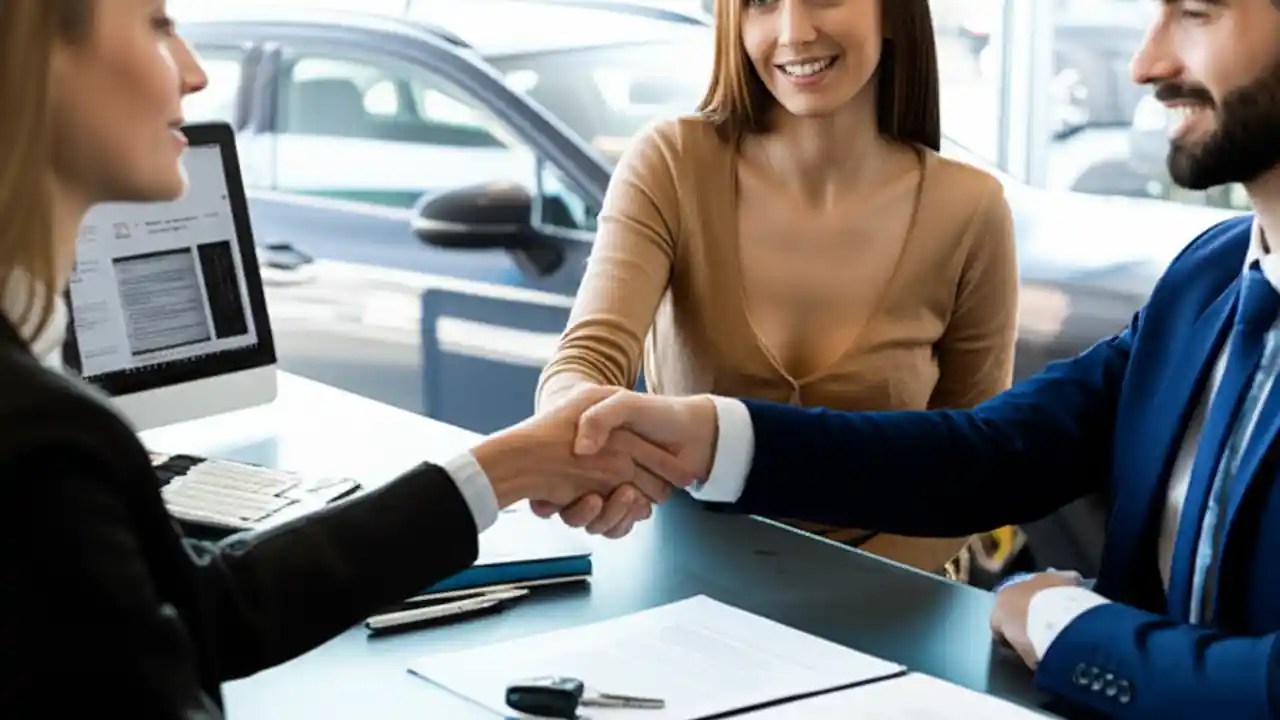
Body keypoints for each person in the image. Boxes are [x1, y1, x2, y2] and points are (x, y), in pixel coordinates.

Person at [565, 0, 1280, 716]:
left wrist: (1072, 630)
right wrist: (713, 438)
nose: (1144, 64)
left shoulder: (970, 209)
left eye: (1195, 13)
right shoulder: (1209, 278)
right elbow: (992, 453)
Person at [0, 2, 688, 715]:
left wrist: (504, 469)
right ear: (36, 58)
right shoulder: (45, 447)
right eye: (156, 24)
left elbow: (201, 606)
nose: (197, 74)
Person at [534, 0, 1019, 576]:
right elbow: (588, 358)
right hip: (690, 585)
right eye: (761, 3)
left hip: (889, 600)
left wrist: (848, 597)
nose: (793, 32)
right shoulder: (671, 164)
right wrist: (580, 437)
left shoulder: (970, 210)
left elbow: (978, 466)